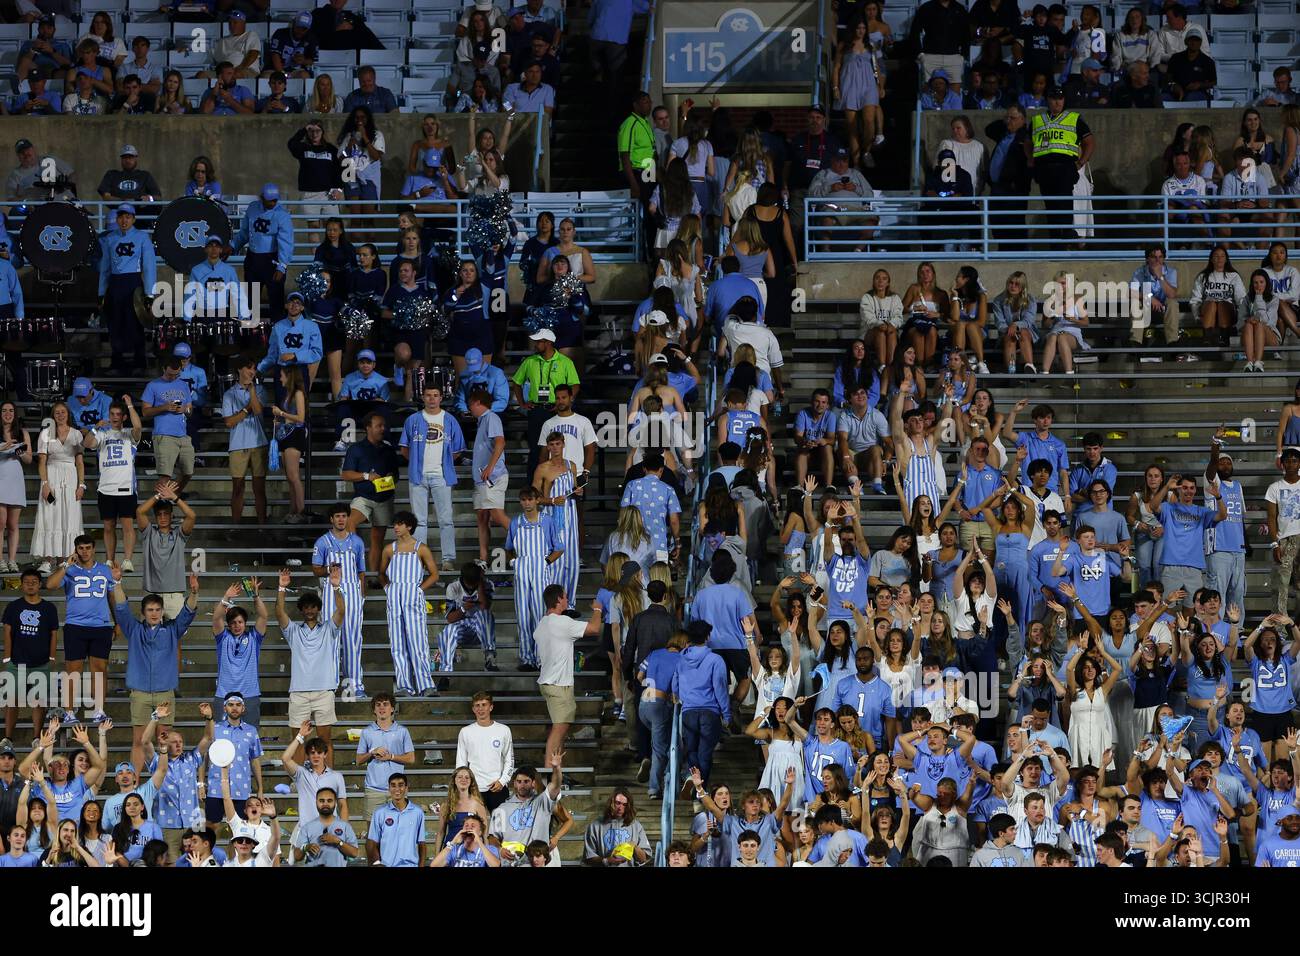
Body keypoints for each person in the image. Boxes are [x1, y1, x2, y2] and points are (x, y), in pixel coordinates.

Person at [111, 565, 199, 776]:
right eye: (150, 610)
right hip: (140, 692)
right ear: (143, 613)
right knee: (139, 741)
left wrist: (194, 592)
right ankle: (135, 784)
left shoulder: (172, 630)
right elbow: (121, 608)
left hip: (164, 693)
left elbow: (187, 613)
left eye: (157, 610)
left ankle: (164, 782)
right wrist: (116, 583)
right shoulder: (133, 630)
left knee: (164, 740)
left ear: (162, 612)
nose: (154, 613)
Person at [275, 566, 344, 767]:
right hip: (299, 692)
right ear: (301, 610)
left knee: (325, 740)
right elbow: (279, 613)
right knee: (298, 740)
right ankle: (298, 780)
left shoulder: (329, 629)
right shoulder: (294, 632)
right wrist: (281, 588)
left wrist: (337, 587)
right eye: (306, 607)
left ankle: (328, 778)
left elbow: (341, 611)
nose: (310, 610)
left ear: (318, 609)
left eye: (313, 607)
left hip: (324, 691)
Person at [44, 535, 114, 722]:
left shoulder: (105, 570)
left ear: (94, 548)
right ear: (76, 549)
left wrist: (117, 622)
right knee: (73, 670)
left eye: (88, 547)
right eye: (81, 548)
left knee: (100, 670)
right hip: (76, 626)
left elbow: (112, 597)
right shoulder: (69, 570)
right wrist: (66, 564)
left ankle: (98, 710)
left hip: (101, 626)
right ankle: (68, 712)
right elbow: (50, 585)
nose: (84, 551)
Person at [399, 383, 466, 572]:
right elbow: (404, 449)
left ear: (441, 398)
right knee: (419, 521)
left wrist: (443, 464)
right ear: (423, 397)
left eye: (435, 395)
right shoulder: (412, 420)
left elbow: (457, 451)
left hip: (441, 477)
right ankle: (420, 561)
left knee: (446, 520)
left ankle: (448, 560)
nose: (432, 399)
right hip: (418, 476)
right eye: (428, 395)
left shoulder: (450, 420)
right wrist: (416, 464)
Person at [535, 584, 602, 761]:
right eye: (564, 597)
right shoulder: (561, 622)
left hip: (549, 682)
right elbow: (595, 628)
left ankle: (556, 774)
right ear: (558, 600)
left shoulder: (543, 623)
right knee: (559, 731)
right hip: (559, 684)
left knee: (559, 730)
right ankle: (551, 779)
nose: (567, 600)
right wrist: (597, 608)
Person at [379, 510, 439, 697]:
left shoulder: (421, 548)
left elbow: (434, 574)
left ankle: (425, 684)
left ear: (409, 526)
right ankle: (404, 685)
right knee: (397, 643)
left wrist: (419, 589)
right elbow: (381, 573)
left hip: (413, 594)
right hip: (394, 596)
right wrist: (388, 589)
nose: (396, 527)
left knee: (418, 641)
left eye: (399, 524)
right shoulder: (390, 549)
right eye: (395, 524)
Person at [1028, 86, 1094, 244]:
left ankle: (1064, 240)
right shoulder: (1037, 120)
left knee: (1064, 205)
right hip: (1044, 168)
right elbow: (1027, 142)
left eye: (1060, 98)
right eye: (1053, 98)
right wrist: (1030, 159)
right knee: (1051, 207)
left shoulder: (1074, 118)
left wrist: (1081, 161)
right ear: (1048, 100)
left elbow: (1089, 142)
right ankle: (1055, 243)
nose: (1057, 102)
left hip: (1065, 167)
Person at [511, 329, 581, 476]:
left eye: (539, 342)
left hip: (558, 410)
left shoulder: (565, 362)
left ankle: (559, 482)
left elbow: (575, 385)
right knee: (536, 449)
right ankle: (533, 488)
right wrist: (522, 403)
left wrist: (565, 402)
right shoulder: (530, 361)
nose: (535, 344)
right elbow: (516, 382)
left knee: (559, 448)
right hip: (537, 410)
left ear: (548, 343)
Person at [80, 397, 140, 571]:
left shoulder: (130, 434)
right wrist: (95, 427)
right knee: (108, 526)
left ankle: (127, 560)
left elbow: (138, 427)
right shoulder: (102, 434)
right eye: (112, 414)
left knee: (127, 525)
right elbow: (86, 443)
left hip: (126, 486)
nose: (114, 417)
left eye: (119, 414)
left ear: (124, 417)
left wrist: (130, 404)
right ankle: (109, 559)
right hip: (106, 487)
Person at [96, 203, 156, 376]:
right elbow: (105, 268)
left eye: (128, 217)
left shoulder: (142, 237)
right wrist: (101, 293)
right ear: (117, 218)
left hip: (133, 282)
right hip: (115, 284)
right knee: (115, 324)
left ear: (133, 219)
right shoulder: (110, 238)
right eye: (121, 217)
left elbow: (149, 267)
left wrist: (149, 293)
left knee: (135, 324)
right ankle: (117, 363)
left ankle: (139, 362)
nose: (124, 220)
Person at [341, 412, 401, 577]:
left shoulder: (389, 450)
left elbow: (396, 475)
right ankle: (353, 563)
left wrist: (389, 479)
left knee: (377, 539)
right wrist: (367, 476)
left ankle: (374, 576)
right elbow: (346, 474)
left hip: (384, 497)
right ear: (368, 428)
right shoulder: (356, 449)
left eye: (383, 425)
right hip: (363, 497)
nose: (383, 429)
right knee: (351, 521)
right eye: (379, 425)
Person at [3, 568, 57, 741]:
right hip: (16, 662)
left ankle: (36, 737)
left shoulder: (49, 608)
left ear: (40, 584)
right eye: (27, 582)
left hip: (41, 663)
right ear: (22, 585)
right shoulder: (14, 606)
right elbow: (7, 631)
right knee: (12, 702)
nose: (31, 585)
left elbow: (53, 633)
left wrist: (52, 657)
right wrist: (7, 657)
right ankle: (8, 737)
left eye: (34, 582)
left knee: (39, 702)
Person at [231, 183, 294, 323]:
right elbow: (245, 232)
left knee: (276, 302)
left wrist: (282, 266)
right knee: (250, 301)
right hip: (253, 259)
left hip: (272, 260)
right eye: (269, 200)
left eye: (275, 200)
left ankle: (276, 337)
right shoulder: (253, 208)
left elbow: (286, 242)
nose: (272, 203)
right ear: (261, 198)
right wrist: (233, 246)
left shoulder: (282, 215)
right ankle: (248, 337)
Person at [468, 389, 510, 565]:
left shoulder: (491, 417)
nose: (469, 408)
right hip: (482, 479)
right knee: (482, 517)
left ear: (478, 402)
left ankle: (528, 539)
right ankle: (483, 559)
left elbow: (500, 441)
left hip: (492, 477)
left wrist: (490, 467)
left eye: (470, 404)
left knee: (497, 515)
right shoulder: (482, 421)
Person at [355, 693, 414, 816]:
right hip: (373, 790)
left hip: (397, 789)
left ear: (392, 708)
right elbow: (359, 760)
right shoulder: (367, 732)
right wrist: (372, 752)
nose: (382, 708)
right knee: (373, 832)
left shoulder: (402, 731)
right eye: (378, 705)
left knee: (398, 831)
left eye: (385, 704)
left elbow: (411, 758)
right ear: (374, 710)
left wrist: (391, 757)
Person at [455, 692, 514, 813]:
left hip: (498, 788)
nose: (480, 709)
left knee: (500, 828)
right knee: (473, 828)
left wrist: (502, 781)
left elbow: (509, 759)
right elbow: (461, 763)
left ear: (491, 707)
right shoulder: (465, 732)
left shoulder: (503, 730)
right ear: (473, 709)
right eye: (477, 705)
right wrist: (464, 785)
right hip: (474, 788)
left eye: (484, 705)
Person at [438, 562, 497, 675]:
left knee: (485, 615)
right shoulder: (453, 586)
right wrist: (463, 609)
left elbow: (485, 607)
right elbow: (450, 618)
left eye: (474, 583)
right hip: (462, 628)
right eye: (469, 583)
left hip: (480, 630)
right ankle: (445, 673)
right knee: (447, 630)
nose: (471, 586)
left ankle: (490, 658)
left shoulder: (487, 583)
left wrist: (480, 584)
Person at [366, 772, 425, 867]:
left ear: (406, 788)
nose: (397, 789)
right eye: (393, 786)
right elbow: (372, 842)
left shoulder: (418, 812)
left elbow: (422, 844)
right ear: (389, 788)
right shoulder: (379, 813)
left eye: (401, 785)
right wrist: (377, 863)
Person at [583, 787, 650, 866]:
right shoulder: (595, 826)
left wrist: (634, 846)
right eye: (617, 803)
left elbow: (643, 859)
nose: (620, 808)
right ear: (611, 803)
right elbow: (588, 858)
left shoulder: (636, 826)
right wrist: (606, 861)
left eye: (624, 805)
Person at [290, 786, 355, 867]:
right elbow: (297, 856)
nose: (325, 804)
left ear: (335, 803)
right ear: (316, 802)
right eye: (321, 801)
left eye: (329, 801)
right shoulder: (307, 827)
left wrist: (338, 842)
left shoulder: (345, 826)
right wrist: (306, 847)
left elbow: (354, 853)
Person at [430, 812, 500, 867]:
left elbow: (495, 865)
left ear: (480, 832)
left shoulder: (490, 849)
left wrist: (479, 841)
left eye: (473, 826)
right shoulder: (454, 849)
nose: (469, 828)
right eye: (466, 825)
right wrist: (453, 842)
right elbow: (434, 865)